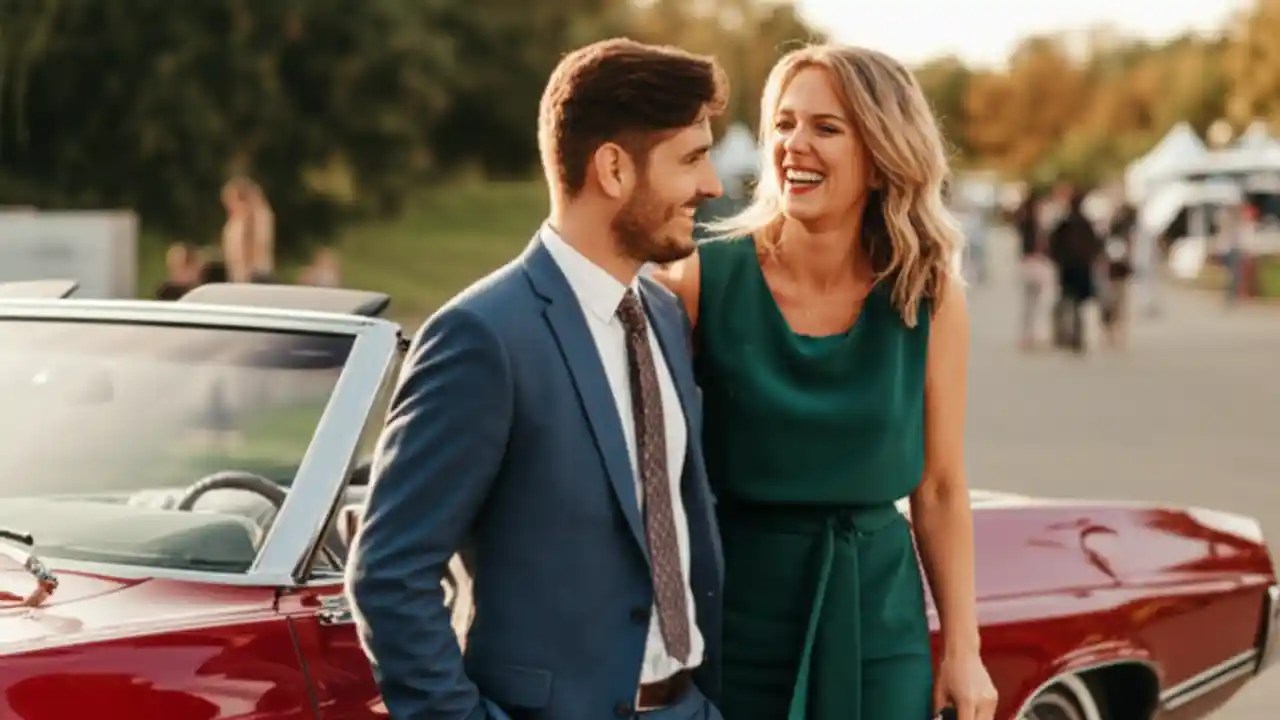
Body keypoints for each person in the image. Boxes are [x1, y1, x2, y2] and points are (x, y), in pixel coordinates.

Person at [345, 38, 729, 720]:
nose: (713, 185)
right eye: (692, 158)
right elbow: (389, 574)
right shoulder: (483, 337)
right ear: (613, 168)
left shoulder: (666, 315)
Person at [655, 44, 997, 720]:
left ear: (880, 154)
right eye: (783, 124)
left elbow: (940, 488)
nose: (793, 145)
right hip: (735, 615)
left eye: (825, 128)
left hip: (878, 621)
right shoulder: (700, 280)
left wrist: (963, 649)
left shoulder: (927, 296)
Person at [1048, 189, 1104, 354]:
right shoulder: (1083, 224)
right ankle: (1074, 336)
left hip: (1069, 268)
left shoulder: (1066, 224)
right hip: (1079, 268)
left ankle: (1067, 335)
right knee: (1076, 304)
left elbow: (1053, 245)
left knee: (1068, 301)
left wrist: (1059, 260)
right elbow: (1096, 245)